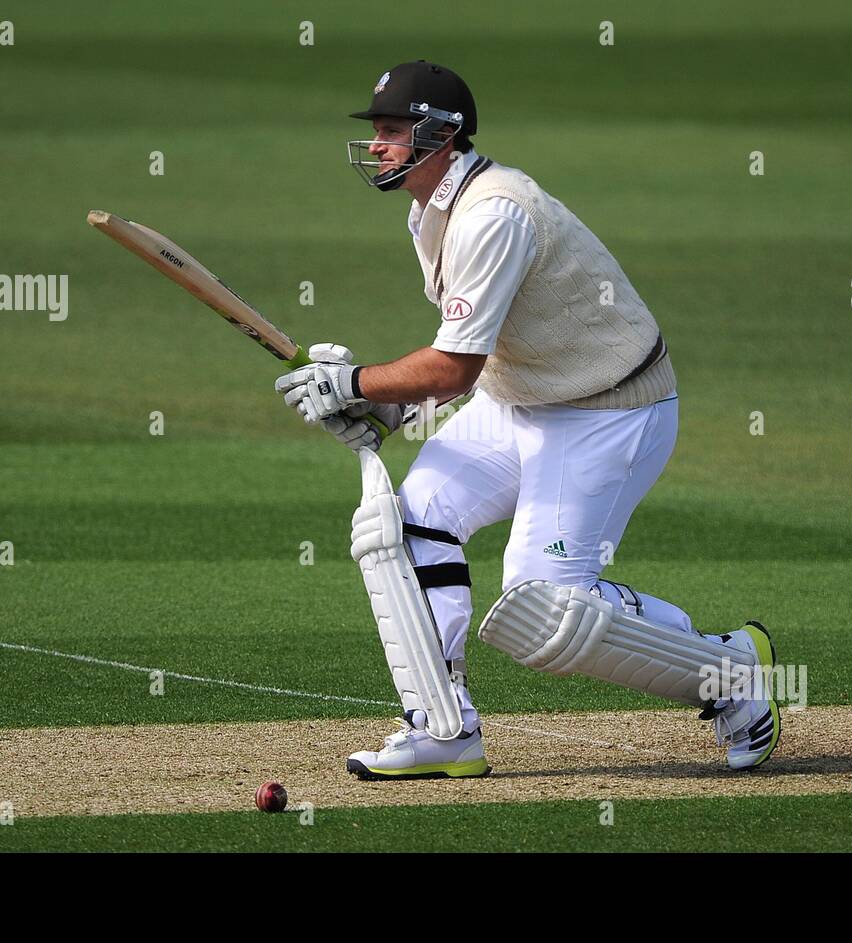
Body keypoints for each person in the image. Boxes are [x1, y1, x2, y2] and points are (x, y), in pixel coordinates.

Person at [276, 60, 780, 779]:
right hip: (521, 401)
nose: (379, 144)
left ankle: (731, 672)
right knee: (408, 522)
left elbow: (454, 367)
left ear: (441, 135)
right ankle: (443, 727)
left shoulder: (493, 213)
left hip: (609, 410)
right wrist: (385, 404)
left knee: (544, 610)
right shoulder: (431, 210)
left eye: (393, 130)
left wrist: (353, 381)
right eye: (378, 131)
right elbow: (482, 351)